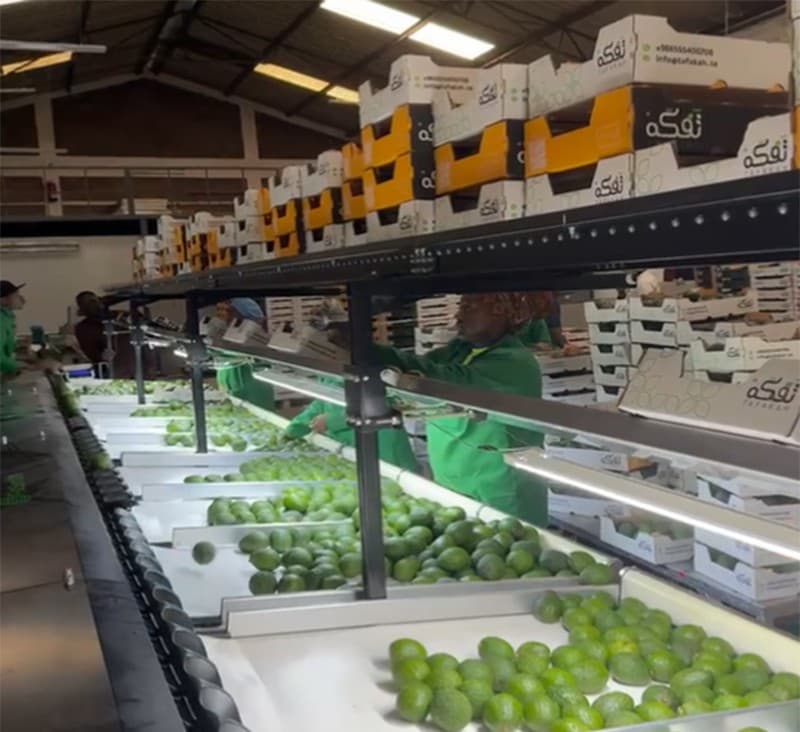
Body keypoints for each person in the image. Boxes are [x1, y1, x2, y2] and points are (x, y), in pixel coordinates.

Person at [374, 292, 547, 523]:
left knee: (507, 550)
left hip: (498, 489)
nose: (459, 315)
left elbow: (442, 378)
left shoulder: (515, 362)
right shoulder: (459, 350)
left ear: (498, 310)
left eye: (469, 307)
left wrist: (367, 348)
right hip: (451, 478)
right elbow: (420, 366)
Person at [214, 298, 275, 410]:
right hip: (230, 391)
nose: (222, 315)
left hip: (254, 395)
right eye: (220, 310)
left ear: (244, 317)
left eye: (228, 311)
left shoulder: (256, 339)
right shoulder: (225, 334)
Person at [0, 280, 25, 376]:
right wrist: (28, 366)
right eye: (16, 296)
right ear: (3, 300)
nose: (21, 299)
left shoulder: (7, 317)